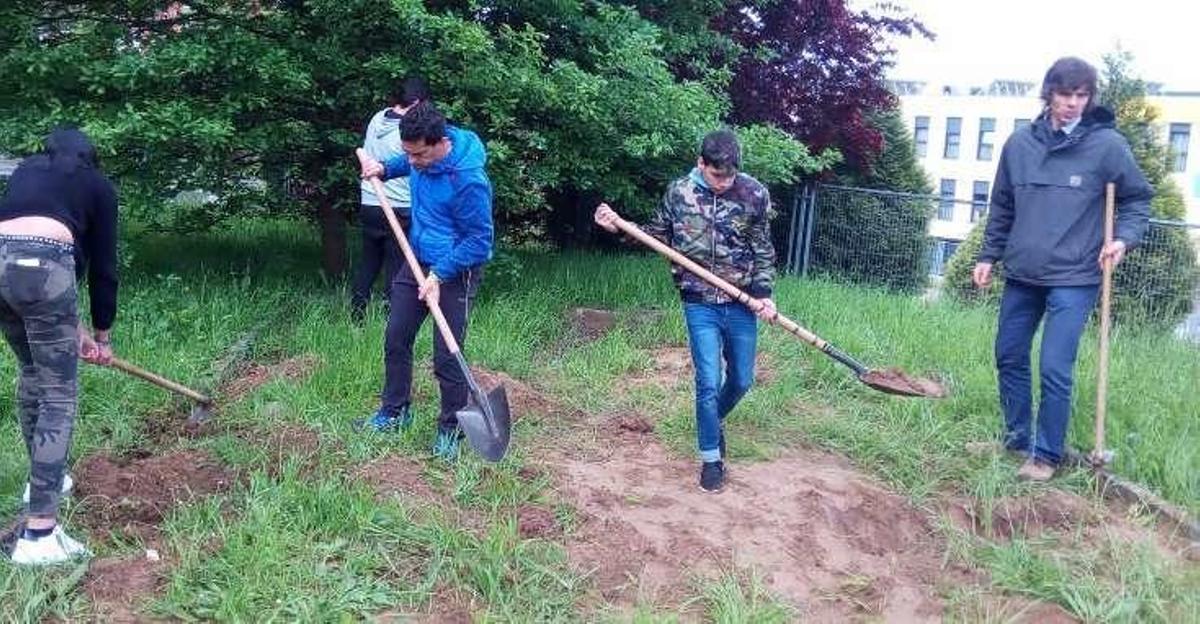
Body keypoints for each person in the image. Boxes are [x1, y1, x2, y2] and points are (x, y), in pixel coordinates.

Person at [973, 57, 1152, 482]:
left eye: (1081, 95)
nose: (1072, 103)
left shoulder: (1107, 146)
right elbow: (1001, 207)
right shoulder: (1019, 145)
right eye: (1065, 94)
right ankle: (1016, 438)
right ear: (1049, 93)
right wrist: (986, 256)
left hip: (1075, 278)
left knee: (1054, 365)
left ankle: (1046, 455)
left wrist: (1122, 239)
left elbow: (1137, 198)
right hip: (1022, 274)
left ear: (1089, 98)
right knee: (1009, 355)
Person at [594, 129, 776, 493]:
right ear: (700, 163)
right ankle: (711, 459)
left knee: (741, 380)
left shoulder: (754, 193)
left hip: (742, 301)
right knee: (708, 382)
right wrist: (619, 228)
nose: (724, 183)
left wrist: (764, 293)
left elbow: (763, 248)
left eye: (729, 176)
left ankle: (712, 422)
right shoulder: (679, 193)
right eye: (716, 175)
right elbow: (656, 236)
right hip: (698, 302)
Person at [0, 127, 118, 564]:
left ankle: (41, 480)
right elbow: (104, 266)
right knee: (57, 394)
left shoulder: (28, 171)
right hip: (44, 266)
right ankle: (40, 536)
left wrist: (77, 327)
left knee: (32, 372)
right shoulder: (97, 185)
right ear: (91, 157)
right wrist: (103, 336)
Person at [356, 102, 494, 461]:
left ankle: (451, 428)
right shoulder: (417, 157)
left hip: (455, 269)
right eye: (408, 153)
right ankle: (394, 412)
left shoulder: (468, 179)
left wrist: (440, 273)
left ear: (440, 142)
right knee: (396, 336)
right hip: (417, 258)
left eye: (419, 154)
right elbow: (406, 164)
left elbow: (479, 241)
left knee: (446, 355)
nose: (413, 161)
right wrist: (383, 168)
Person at [351, 76, 430, 324]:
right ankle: (391, 320)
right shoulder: (411, 128)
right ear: (417, 101)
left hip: (370, 202)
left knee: (369, 261)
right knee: (397, 266)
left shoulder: (378, 118)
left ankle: (357, 319)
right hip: (398, 206)